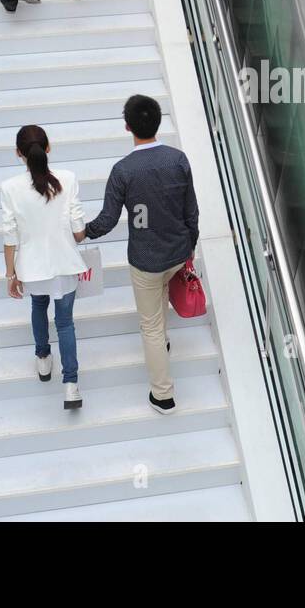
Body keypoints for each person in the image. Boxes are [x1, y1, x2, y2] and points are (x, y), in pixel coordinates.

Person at [84, 95, 199, 415]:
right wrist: (190, 244)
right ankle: (162, 345)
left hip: (146, 259)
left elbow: (107, 221)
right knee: (159, 310)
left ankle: (163, 395)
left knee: (150, 324)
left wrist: (83, 232)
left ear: (127, 126)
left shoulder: (123, 170)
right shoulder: (178, 160)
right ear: (158, 123)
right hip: (178, 252)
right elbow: (192, 211)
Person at [3, 125, 88, 410]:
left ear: (18, 153)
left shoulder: (10, 188)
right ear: (48, 147)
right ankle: (71, 386)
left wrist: (10, 274)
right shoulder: (68, 179)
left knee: (38, 307)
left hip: (31, 267)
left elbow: (9, 236)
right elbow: (78, 231)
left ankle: (42, 359)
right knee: (65, 323)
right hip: (64, 264)